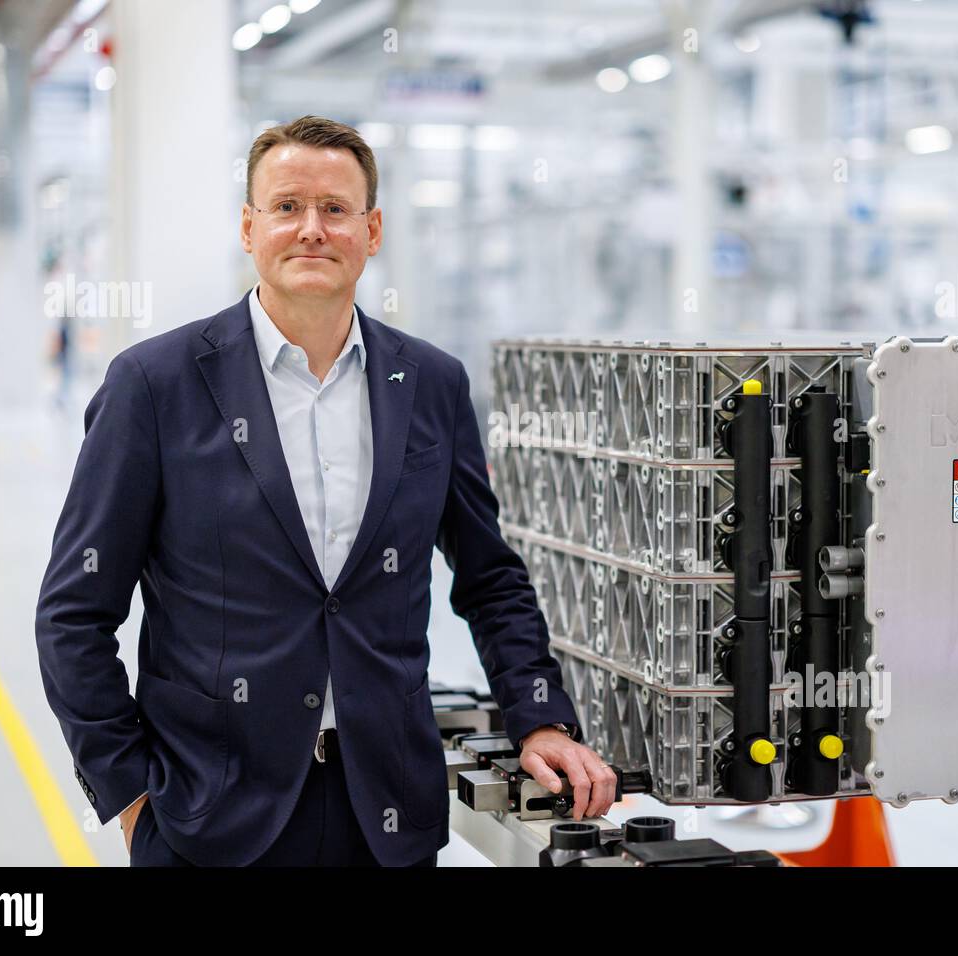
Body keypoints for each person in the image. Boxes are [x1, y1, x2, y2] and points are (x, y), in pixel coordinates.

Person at [34, 116, 616, 867]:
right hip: (208, 818)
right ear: (249, 227)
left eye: (336, 210)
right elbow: (73, 614)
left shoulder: (432, 384)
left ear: (372, 232)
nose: (312, 228)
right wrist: (133, 797)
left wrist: (540, 718)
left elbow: (489, 577)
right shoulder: (156, 385)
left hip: (385, 815)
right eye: (287, 206)